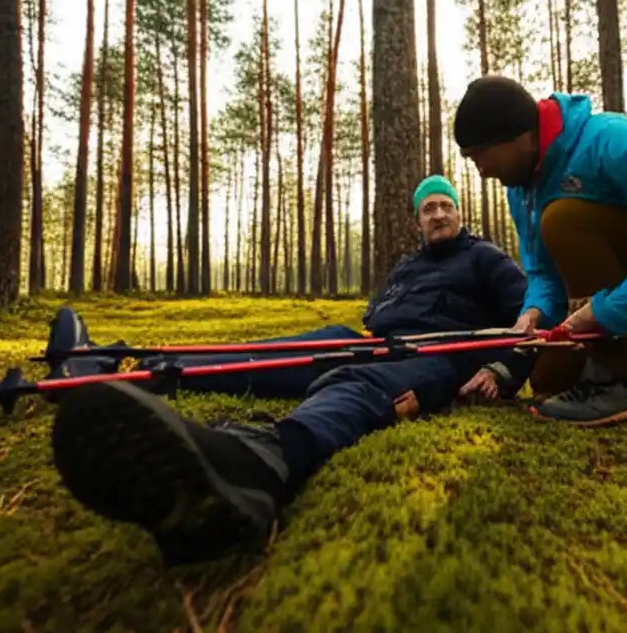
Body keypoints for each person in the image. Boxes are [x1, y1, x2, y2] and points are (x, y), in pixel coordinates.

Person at [47, 175, 536, 566]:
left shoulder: (485, 258)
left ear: (459, 211)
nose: (437, 214)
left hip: (429, 359)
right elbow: (376, 315)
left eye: (444, 205)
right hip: (367, 341)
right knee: (271, 354)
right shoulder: (406, 268)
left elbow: (531, 321)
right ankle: (133, 369)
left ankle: (261, 461)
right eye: (428, 209)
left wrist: (501, 369)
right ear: (418, 221)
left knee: (353, 387)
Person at [452, 75, 627, 427]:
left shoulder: (612, 139)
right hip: (612, 296)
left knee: (561, 219)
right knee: (550, 381)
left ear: (517, 134)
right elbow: (543, 272)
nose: (481, 171)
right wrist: (534, 313)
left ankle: (612, 381)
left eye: (481, 155)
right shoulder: (520, 190)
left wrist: (604, 313)